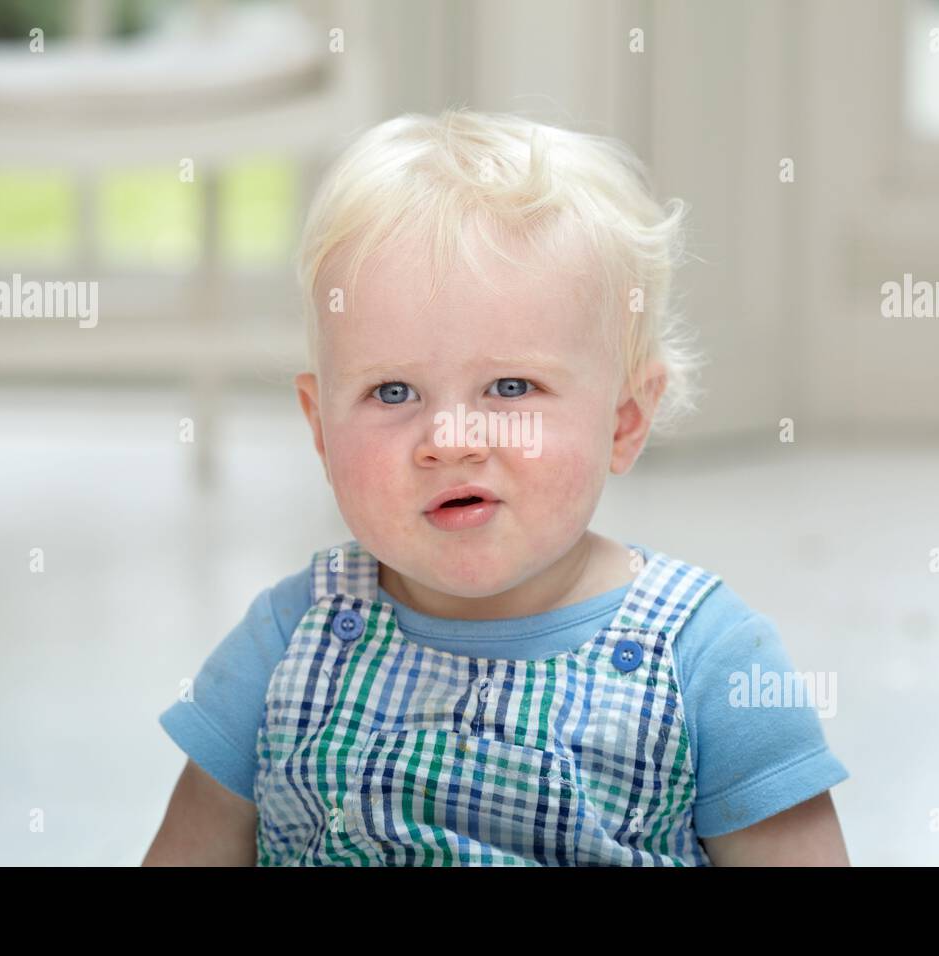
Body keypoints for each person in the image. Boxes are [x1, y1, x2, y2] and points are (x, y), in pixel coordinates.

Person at [143, 108, 850, 866]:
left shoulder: (708, 664)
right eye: (391, 392)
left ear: (624, 420)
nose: (449, 440)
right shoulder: (286, 647)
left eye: (511, 387)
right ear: (320, 428)